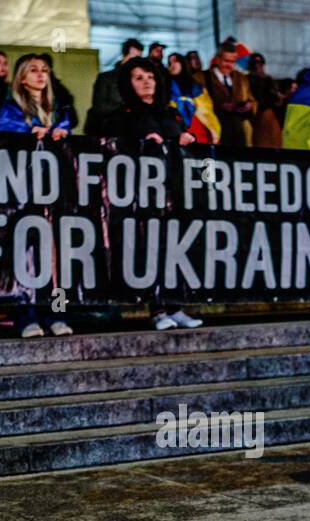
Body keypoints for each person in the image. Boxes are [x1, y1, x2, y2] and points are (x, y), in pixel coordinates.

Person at [105, 58, 203, 331]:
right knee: (148, 250)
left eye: (150, 75)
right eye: (138, 77)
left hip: (172, 192)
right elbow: (112, 151)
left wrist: (183, 140)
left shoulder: (170, 113)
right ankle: (156, 309)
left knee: (173, 248)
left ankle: (174, 305)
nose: (146, 81)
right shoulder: (121, 115)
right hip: (141, 195)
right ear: (128, 84)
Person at [0, 53, 73, 337]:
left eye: (44, 70)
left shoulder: (59, 110)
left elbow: (69, 137)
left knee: (56, 257)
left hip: (54, 194)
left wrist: (59, 134)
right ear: (22, 77)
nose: (41, 75)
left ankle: (57, 313)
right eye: (34, 70)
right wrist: (29, 132)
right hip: (23, 193)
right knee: (26, 256)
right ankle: (26, 317)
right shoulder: (11, 108)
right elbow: (1, 134)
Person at [84, 37, 140, 136]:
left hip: (130, 132)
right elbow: (99, 107)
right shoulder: (106, 78)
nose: (135, 63)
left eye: (138, 59)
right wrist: (125, 106)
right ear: (123, 55)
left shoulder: (138, 80)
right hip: (105, 131)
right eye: (132, 59)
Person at [204, 40, 255, 147]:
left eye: (233, 62)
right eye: (226, 61)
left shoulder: (242, 78)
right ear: (217, 59)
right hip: (216, 131)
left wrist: (249, 106)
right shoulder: (202, 78)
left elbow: (251, 99)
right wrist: (220, 106)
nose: (230, 65)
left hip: (239, 133)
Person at [166, 52, 217, 143]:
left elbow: (206, 110)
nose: (172, 65)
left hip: (197, 126)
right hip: (176, 127)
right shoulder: (165, 86)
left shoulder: (196, 87)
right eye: (169, 63)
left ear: (183, 63)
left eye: (175, 61)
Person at [246, 52, 282, 148]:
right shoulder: (245, 79)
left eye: (259, 63)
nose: (257, 65)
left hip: (267, 114)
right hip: (252, 115)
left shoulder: (269, 79)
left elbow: (276, 99)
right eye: (254, 63)